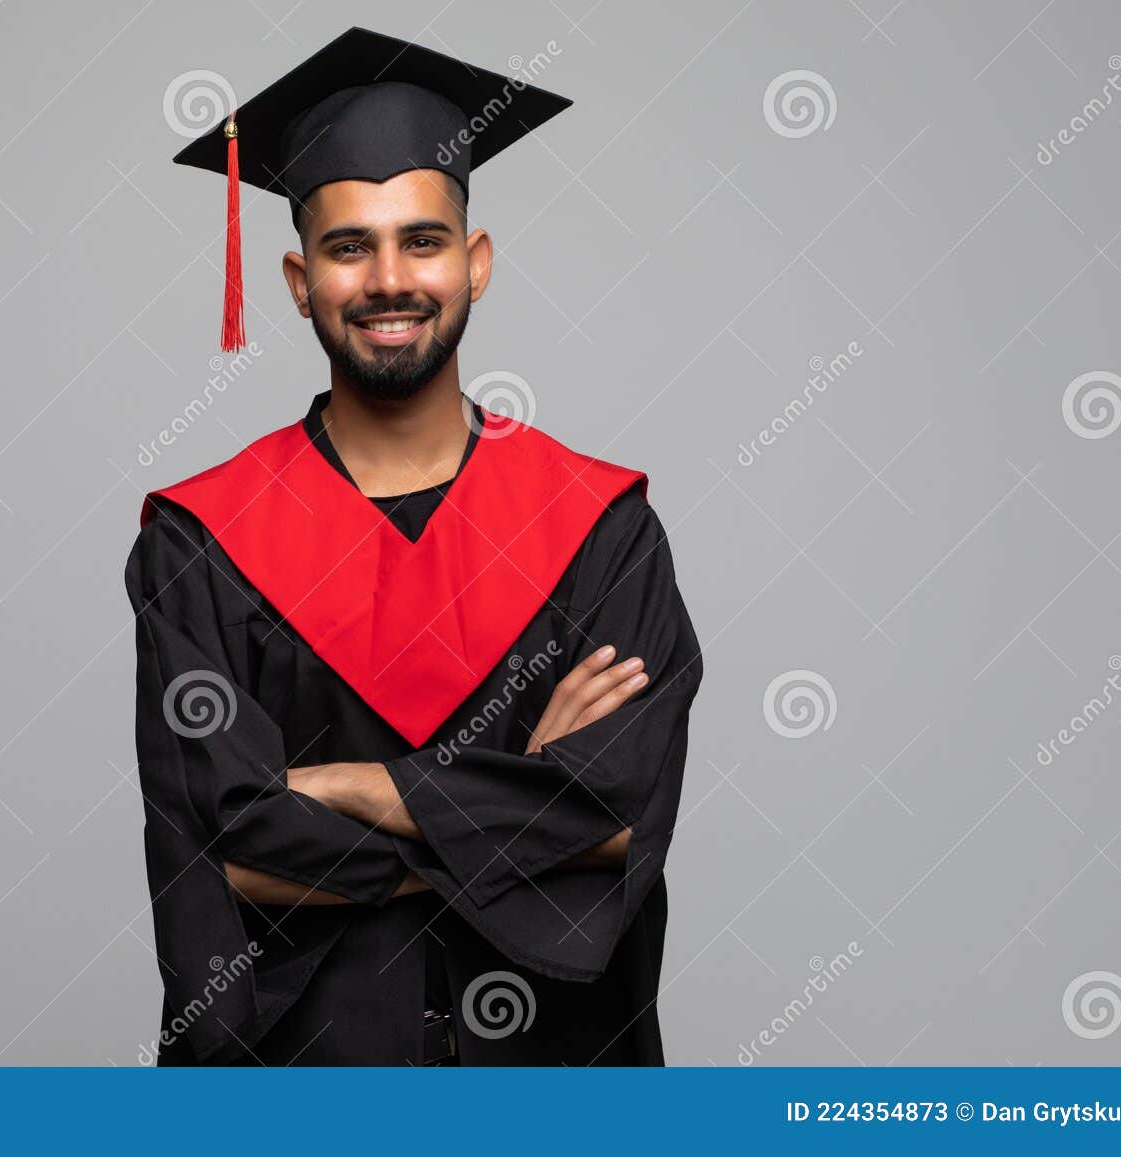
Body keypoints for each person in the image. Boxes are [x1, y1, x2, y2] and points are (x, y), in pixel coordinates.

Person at [123, 26, 705, 1066]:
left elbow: (622, 819)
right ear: (299, 280)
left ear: (475, 265)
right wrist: (516, 811)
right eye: (350, 247)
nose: (389, 279)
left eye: (423, 241)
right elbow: (219, 852)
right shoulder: (201, 544)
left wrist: (342, 786)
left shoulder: (602, 529)